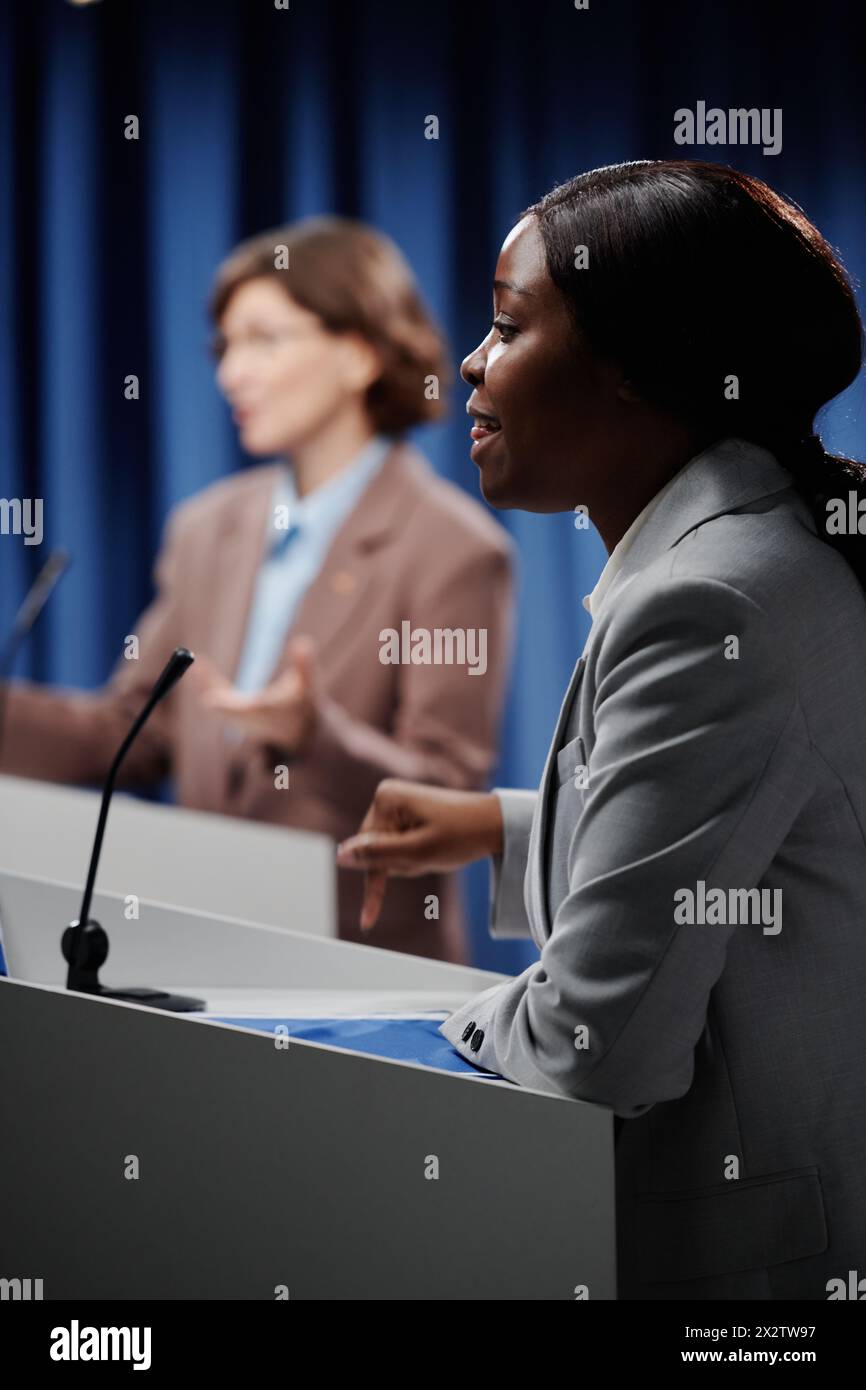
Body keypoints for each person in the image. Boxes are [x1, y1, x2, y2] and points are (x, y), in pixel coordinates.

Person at [336, 161, 866, 1298]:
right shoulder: (751, 554)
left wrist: (396, 1038)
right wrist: (496, 826)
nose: (469, 364)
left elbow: (596, 1048)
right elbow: (745, 859)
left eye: (505, 324)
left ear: (628, 362)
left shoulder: (711, 600)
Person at [1, 217, 514, 962]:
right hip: (196, 953)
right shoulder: (206, 528)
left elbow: (451, 791)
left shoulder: (457, 547)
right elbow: (128, 731)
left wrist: (317, 736)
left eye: (265, 340)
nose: (231, 373)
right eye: (226, 347)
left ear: (359, 352)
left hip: (366, 968)